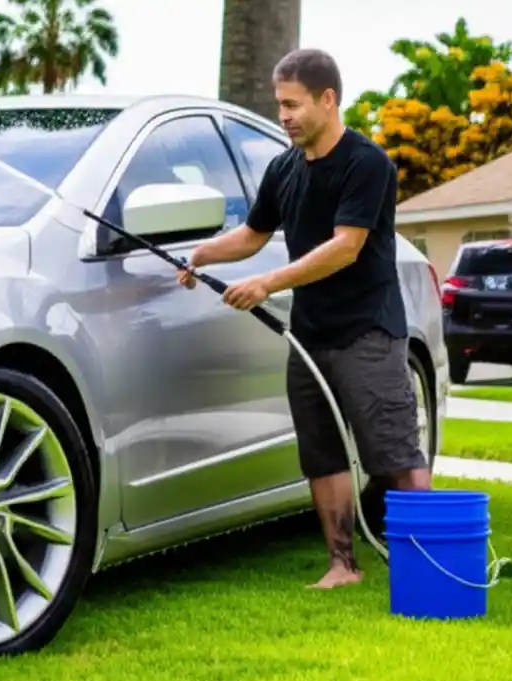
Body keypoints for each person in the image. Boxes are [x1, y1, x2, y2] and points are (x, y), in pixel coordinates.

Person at [177, 48, 432, 589]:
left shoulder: (367, 164)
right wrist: (201, 255)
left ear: (328, 99)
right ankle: (343, 565)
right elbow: (252, 236)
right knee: (322, 454)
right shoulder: (284, 169)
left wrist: (268, 283)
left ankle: (427, 564)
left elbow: (345, 247)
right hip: (309, 336)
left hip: (367, 332)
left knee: (392, 451)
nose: (284, 116)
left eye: (293, 105)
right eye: (279, 106)